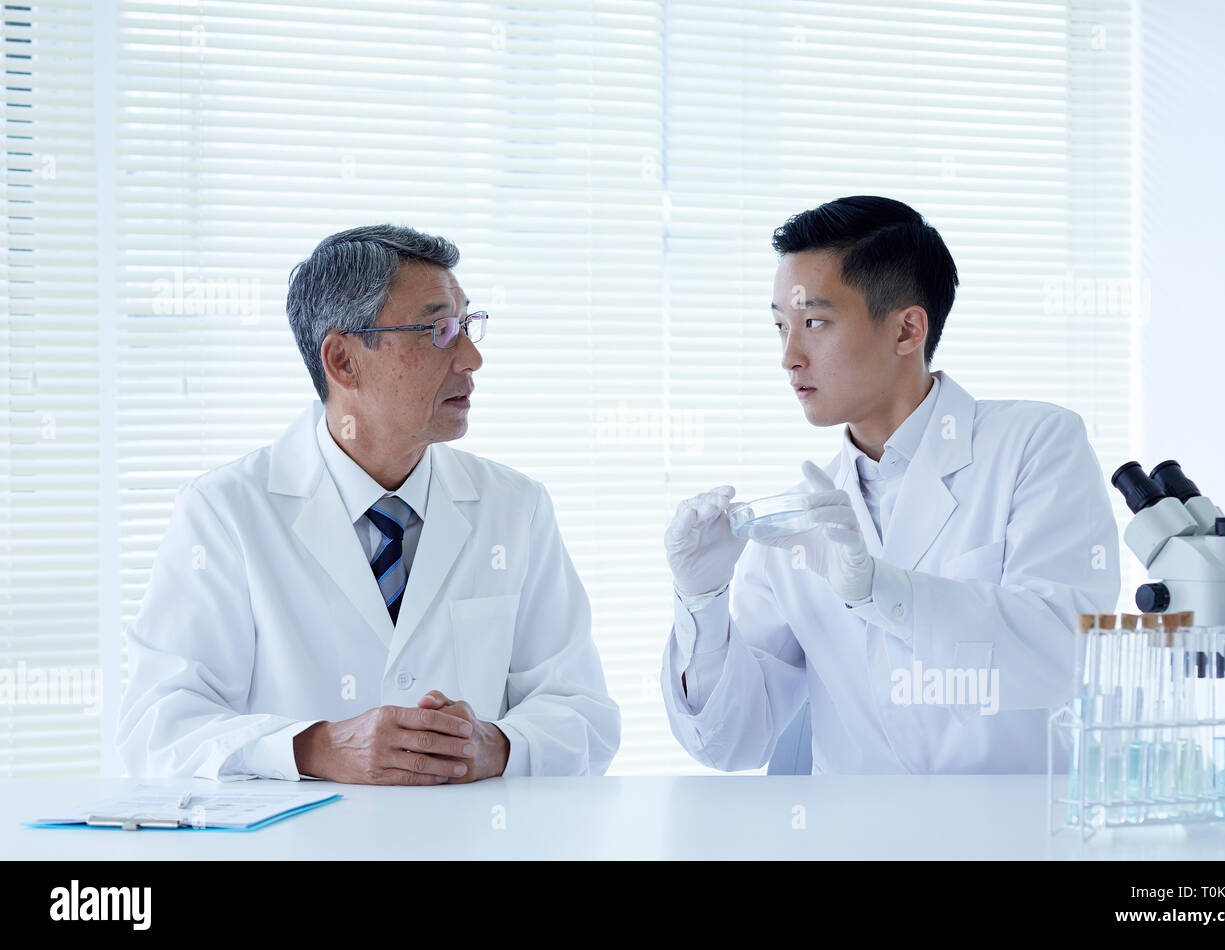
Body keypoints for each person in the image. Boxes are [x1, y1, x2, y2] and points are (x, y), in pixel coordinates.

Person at [118, 224, 620, 783]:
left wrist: (497, 746)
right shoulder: (224, 512)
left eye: (467, 325)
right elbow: (158, 728)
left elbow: (584, 714)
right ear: (343, 361)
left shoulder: (515, 508)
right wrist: (317, 748)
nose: (472, 358)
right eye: (439, 330)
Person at [661, 196, 1119, 773]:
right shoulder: (801, 523)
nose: (789, 357)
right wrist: (701, 601)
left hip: (1010, 822)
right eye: (780, 327)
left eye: (813, 323)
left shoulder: (1035, 444)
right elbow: (732, 744)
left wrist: (879, 589)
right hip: (857, 826)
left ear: (907, 330)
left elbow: (1062, 653)